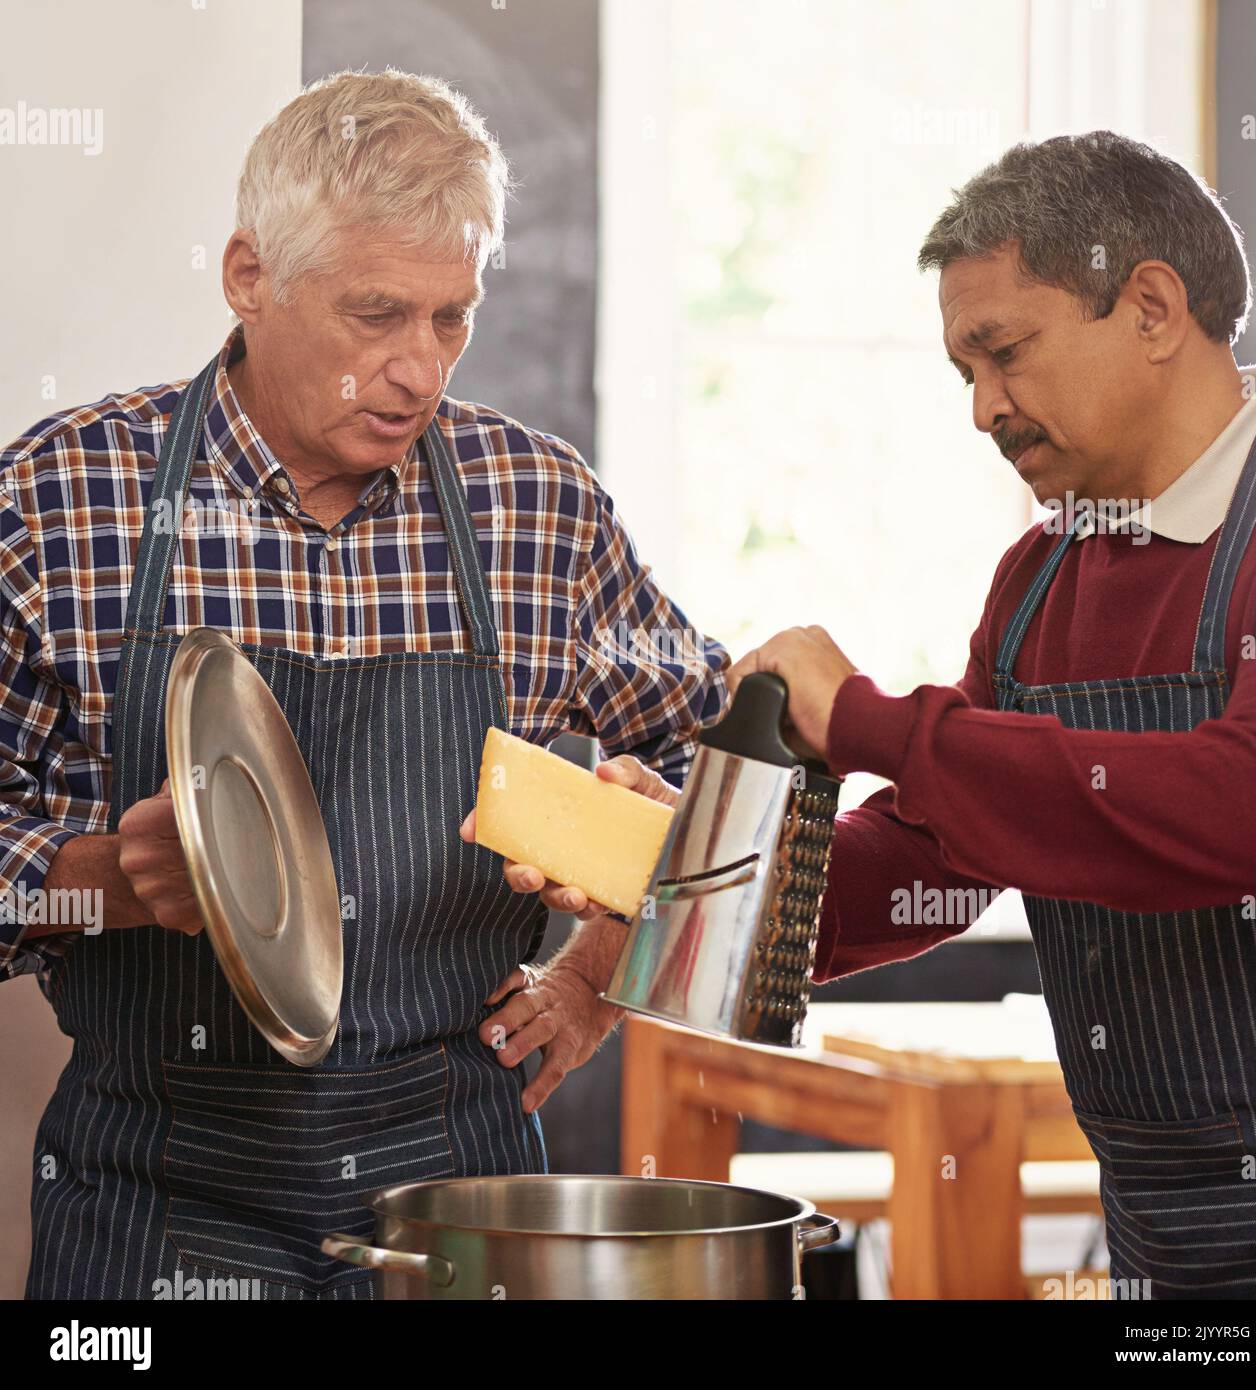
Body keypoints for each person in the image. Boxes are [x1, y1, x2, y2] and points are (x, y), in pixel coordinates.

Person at [486, 132, 1256, 1300]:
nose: (982, 409)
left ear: (1153, 307)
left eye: (1003, 352)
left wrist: (869, 721)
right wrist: (690, 869)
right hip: (1173, 1241)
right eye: (962, 372)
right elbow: (935, 852)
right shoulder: (1041, 582)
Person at [0, 69, 727, 1300]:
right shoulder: (64, 498)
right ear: (248, 276)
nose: (418, 372)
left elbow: (732, 768)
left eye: (453, 318)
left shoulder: (534, 504)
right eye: (376, 313)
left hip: (458, 1196)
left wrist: (607, 965)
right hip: (155, 1198)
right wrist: (104, 881)